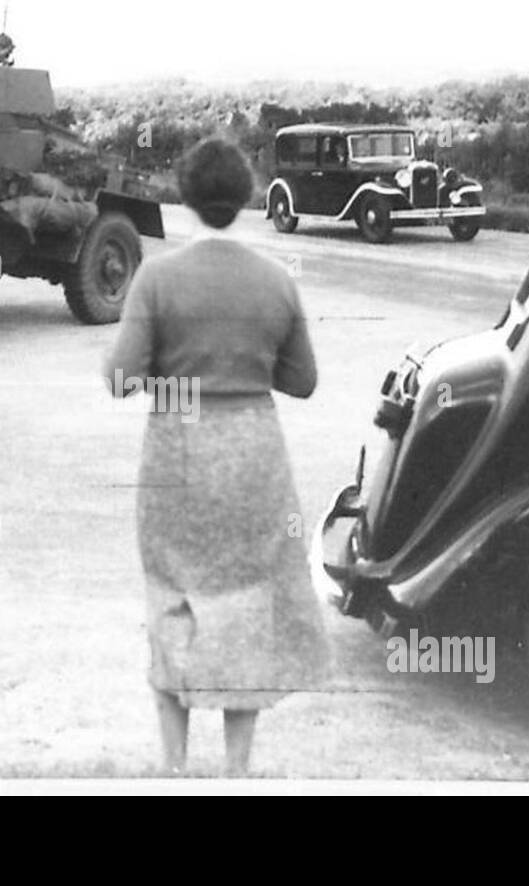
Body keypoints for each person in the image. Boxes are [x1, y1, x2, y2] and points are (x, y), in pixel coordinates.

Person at [103, 137, 330, 776]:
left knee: (172, 597)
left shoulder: (157, 277)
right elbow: (303, 380)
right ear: (248, 195)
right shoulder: (276, 279)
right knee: (246, 602)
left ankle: (174, 771)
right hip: (254, 452)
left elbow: (121, 378)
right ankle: (237, 774)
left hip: (177, 454)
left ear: (184, 195)